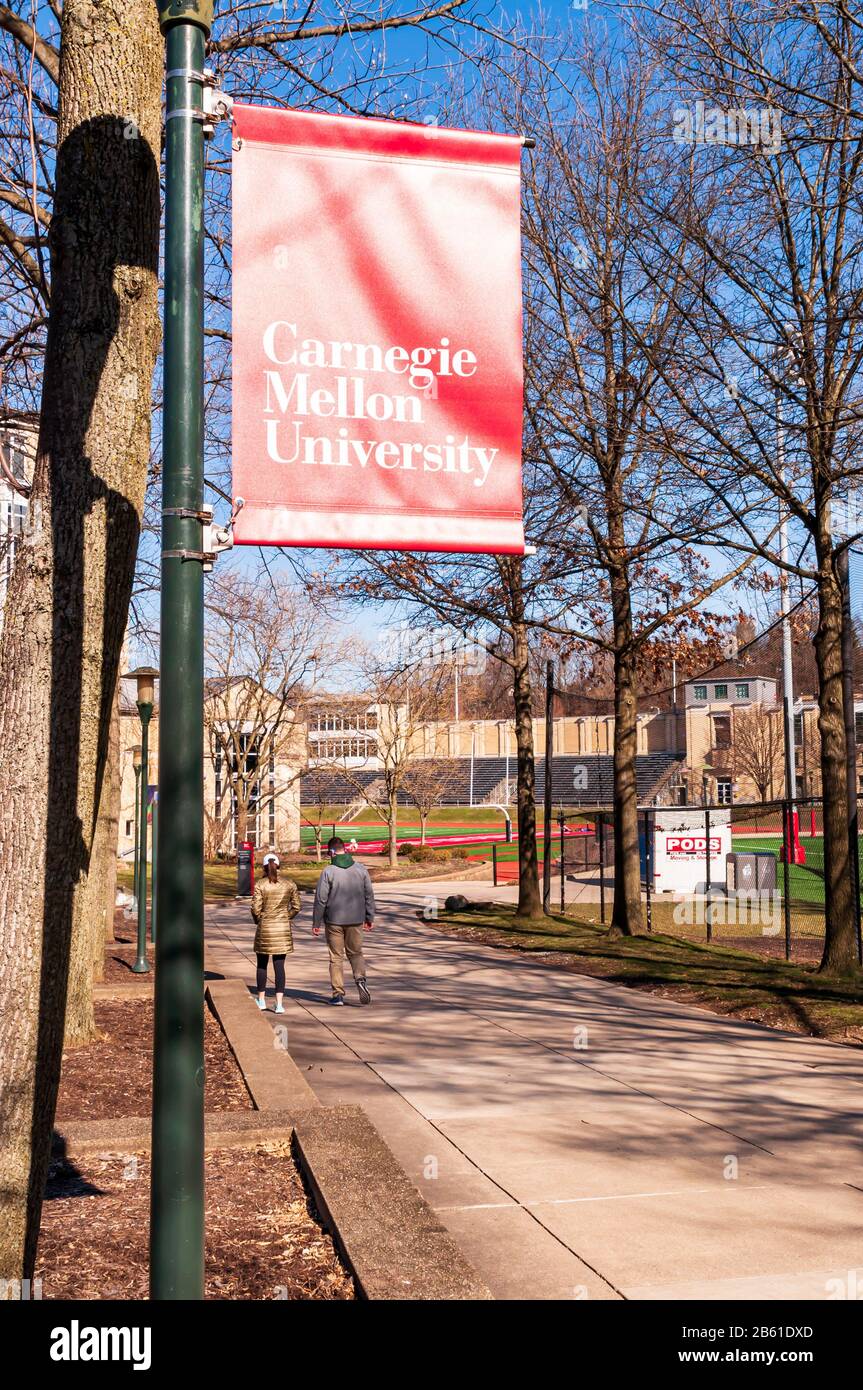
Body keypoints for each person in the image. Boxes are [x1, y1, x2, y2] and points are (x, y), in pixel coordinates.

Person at [312, 836, 375, 1005]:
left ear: (332, 852)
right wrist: (370, 917)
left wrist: (316, 922)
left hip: (334, 921)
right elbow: (368, 894)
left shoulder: (328, 871)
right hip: (356, 919)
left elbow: (321, 899)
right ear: (345, 849)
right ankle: (360, 979)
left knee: (336, 957)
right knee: (356, 953)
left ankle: (338, 994)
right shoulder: (361, 869)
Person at [251, 852, 301, 1013]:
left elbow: (255, 908)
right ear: (278, 865)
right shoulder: (289, 884)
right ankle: (279, 1004)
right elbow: (296, 906)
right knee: (279, 966)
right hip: (282, 928)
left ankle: (261, 1000)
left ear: (264, 866)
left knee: (262, 965)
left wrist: (259, 919)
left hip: (265, 927)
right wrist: (287, 917)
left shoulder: (260, 884)